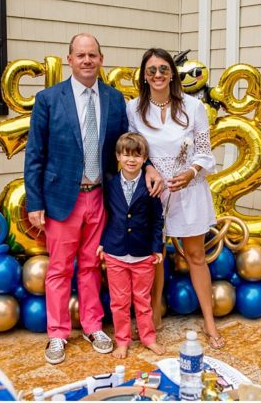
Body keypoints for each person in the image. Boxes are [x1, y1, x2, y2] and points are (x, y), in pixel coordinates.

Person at [26, 33, 135, 364]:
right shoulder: (48, 99)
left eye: (93, 55)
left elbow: (123, 151)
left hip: (100, 196)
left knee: (90, 265)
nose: (87, 60)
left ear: (102, 60)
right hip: (61, 198)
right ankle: (57, 333)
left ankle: (92, 325)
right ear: (69, 60)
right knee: (59, 268)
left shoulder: (116, 100)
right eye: (80, 55)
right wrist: (35, 203)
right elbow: (35, 155)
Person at [127, 47, 224, 349]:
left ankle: (209, 322)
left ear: (173, 73)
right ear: (144, 76)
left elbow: (205, 152)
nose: (157, 75)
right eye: (151, 70)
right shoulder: (133, 109)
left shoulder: (193, 107)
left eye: (163, 69)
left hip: (189, 190)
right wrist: (149, 169)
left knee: (195, 256)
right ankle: (153, 316)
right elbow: (134, 149)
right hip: (154, 192)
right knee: (154, 257)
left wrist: (192, 173)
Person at [97, 132, 166, 359]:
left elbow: (157, 219)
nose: (131, 160)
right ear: (118, 156)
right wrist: (102, 244)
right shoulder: (110, 184)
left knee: (142, 301)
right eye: (126, 155)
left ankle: (148, 338)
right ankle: (122, 341)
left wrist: (157, 247)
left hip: (143, 253)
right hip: (115, 253)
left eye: (137, 156)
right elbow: (106, 216)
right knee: (119, 302)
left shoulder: (150, 186)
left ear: (144, 158)